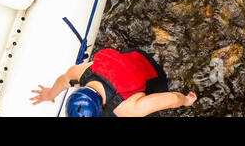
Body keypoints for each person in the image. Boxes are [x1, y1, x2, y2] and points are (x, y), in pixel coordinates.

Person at [31, 47, 197, 117]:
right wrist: (50, 93)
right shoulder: (81, 73)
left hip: (152, 76)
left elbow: (173, 98)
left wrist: (186, 100)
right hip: (131, 56)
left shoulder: (127, 109)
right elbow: (63, 81)